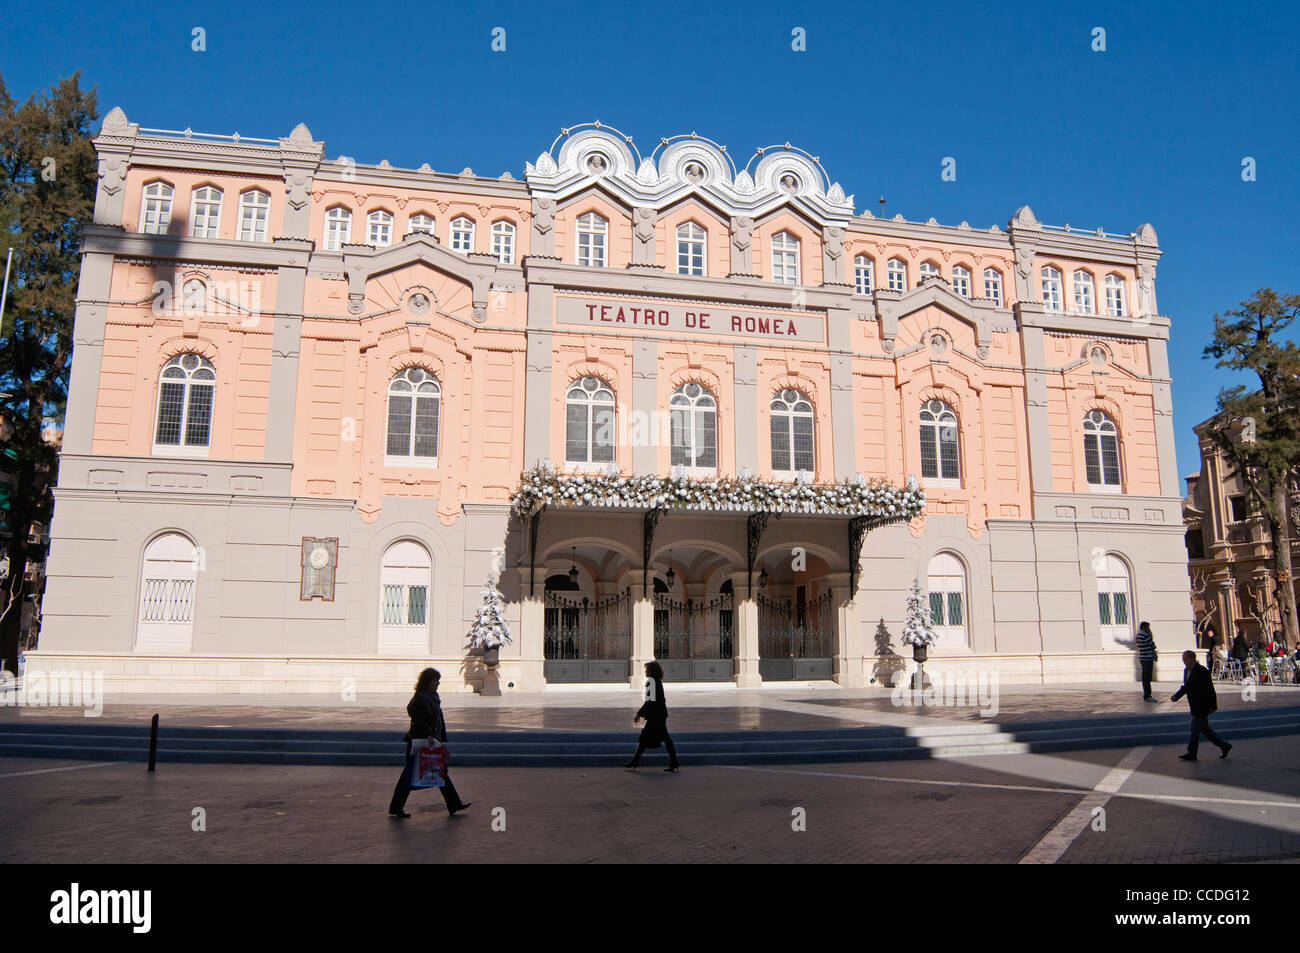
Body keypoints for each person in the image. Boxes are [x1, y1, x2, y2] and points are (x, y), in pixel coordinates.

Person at [388, 667, 472, 818]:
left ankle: (454, 803)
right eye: (435, 681)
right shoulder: (421, 697)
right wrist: (428, 734)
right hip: (423, 740)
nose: (438, 684)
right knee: (410, 775)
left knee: (439, 772)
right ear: (428, 681)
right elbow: (419, 718)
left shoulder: (432, 696)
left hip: (431, 739)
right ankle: (396, 806)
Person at [1170, 649, 1231, 761]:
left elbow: (1210, 689)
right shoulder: (1186, 671)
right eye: (1183, 660)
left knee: (1194, 727)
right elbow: (1186, 686)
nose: (1184, 662)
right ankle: (1224, 745)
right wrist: (1176, 696)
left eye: (1186, 659)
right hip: (1194, 704)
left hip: (1203, 705)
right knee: (1204, 729)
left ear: (1192, 659)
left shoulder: (1202, 671)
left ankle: (1192, 752)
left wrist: (1213, 705)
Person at [623, 660, 680, 772]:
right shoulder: (657, 681)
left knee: (648, 738)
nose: (645, 672)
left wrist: (639, 714)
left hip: (656, 716)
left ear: (651, 671)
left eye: (647, 670)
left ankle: (635, 762)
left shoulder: (652, 682)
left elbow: (649, 701)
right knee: (663, 738)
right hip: (659, 714)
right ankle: (674, 762)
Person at [1135, 621, 1158, 701]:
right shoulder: (1145, 635)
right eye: (1147, 627)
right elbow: (1153, 645)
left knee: (1145, 677)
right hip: (1147, 658)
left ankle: (1147, 694)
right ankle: (1148, 695)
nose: (1149, 629)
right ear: (1144, 627)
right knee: (1147, 677)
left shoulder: (1138, 635)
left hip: (1142, 657)